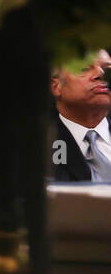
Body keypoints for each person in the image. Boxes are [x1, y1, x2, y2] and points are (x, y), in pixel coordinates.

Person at [50, 48, 111, 182]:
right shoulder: (40, 146)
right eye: (84, 69)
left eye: (107, 69)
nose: (100, 74)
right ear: (56, 86)